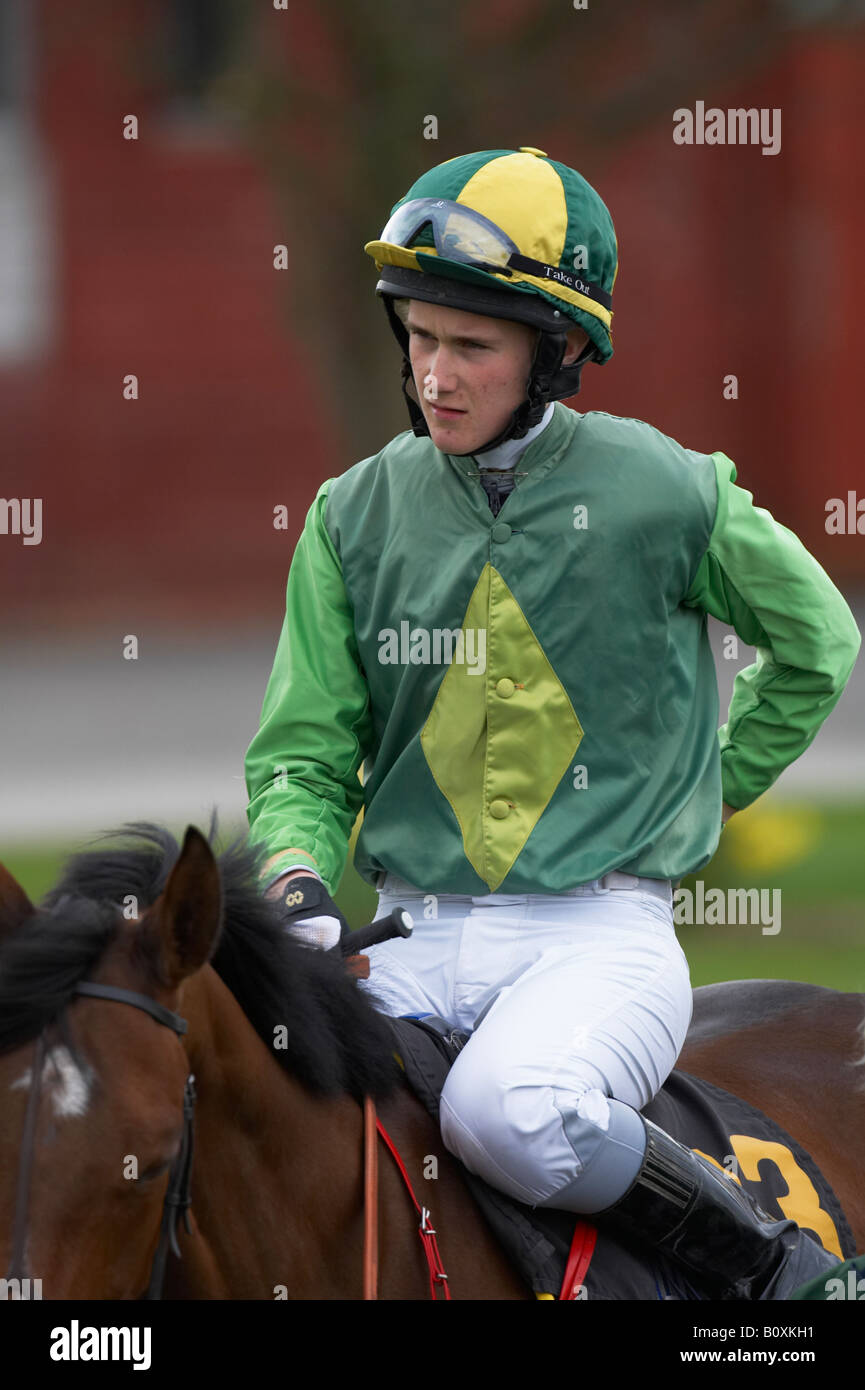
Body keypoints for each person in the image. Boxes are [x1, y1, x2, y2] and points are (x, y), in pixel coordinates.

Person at [244, 147, 860, 1299]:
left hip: (599, 942)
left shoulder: (670, 490)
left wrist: (712, 790)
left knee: (506, 1111)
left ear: (558, 354)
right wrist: (295, 888)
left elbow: (817, 642)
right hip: (409, 939)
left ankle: (776, 1267)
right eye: (419, 337)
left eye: (470, 346)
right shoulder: (348, 516)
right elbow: (302, 756)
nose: (434, 374)